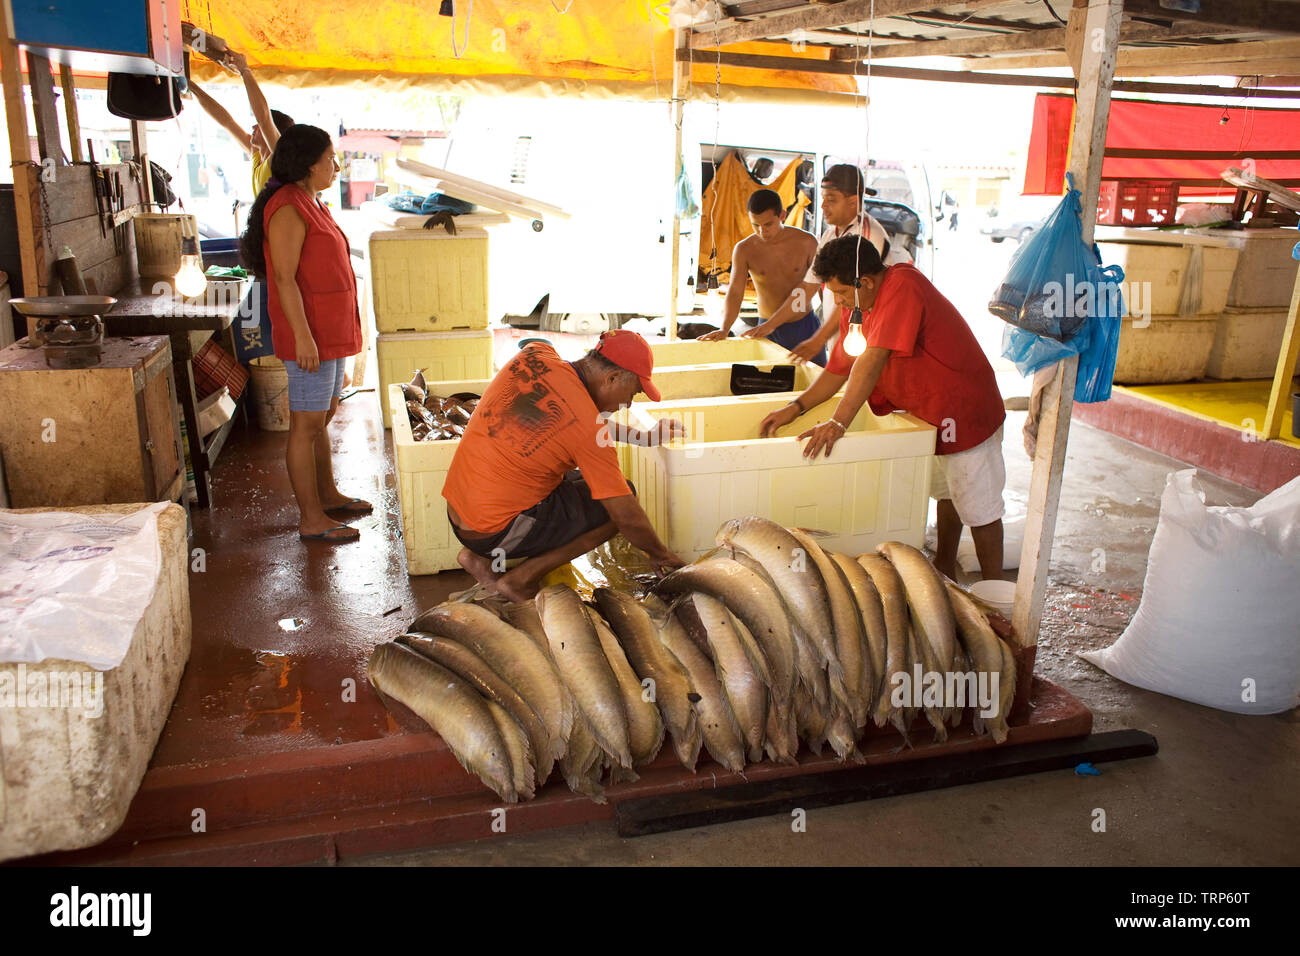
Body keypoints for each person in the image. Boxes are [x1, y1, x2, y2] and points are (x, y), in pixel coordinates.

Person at [758, 235, 1007, 582]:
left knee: (980, 508)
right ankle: (945, 567)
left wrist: (838, 423)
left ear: (867, 282)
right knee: (946, 492)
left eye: (842, 293)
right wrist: (794, 408)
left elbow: (871, 360)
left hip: (963, 407)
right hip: (926, 412)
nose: (839, 302)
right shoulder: (857, 308)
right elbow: (840, 367)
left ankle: (996, 593)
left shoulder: (903, 286)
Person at [443, 330, 688, 601]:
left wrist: (643, 437)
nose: (628, 404)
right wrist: (660, 554)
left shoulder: (536, 355)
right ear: (612, 378)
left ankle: (478, 560)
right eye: (633, 393)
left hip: (459, 511)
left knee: (563, 477)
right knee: (617, 506)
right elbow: (626, 515)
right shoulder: (586, 428)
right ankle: (520, 581)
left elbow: (568, 410)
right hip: (494, 531)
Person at [240, 125, 369, 544]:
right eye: (330, 158)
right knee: (305, 423)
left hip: (329, 331)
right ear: (309, 164)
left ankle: (327, 494)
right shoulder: (287, 207)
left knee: (324, 415)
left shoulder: (311, 201)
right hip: (309, 334)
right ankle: (311, 519)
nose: (336, 165)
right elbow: (283, 278)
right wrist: (304, 338)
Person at [742, 163, 910, 364]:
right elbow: (808, 286)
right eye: (822, 199)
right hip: (841, 338)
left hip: (866, 340)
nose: (822, 206)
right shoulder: (831, 234)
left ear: (853, 201)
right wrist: (771, 325)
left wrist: (817, 340)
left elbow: (853, 295)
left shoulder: (866, 236)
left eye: (831, 200)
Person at [697, 189, 826, 364]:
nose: (762, 231)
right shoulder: (744, 249)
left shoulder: (807, 242)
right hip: (766, 328)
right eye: (755, 225)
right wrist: (725, 328)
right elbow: (735, 292)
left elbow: (815, 288)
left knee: (815, 381)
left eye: (768, 224)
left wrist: (833, 323)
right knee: (772, 385)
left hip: (803, 325)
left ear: (782, 215)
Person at [186, 51, 294, 196]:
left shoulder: (278, 159)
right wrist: (192, 87)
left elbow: (264, 118)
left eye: (259, 126)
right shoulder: (256, 155)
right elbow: (227, 122)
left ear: (273, 132)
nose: (254, 127)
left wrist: (245, 70)